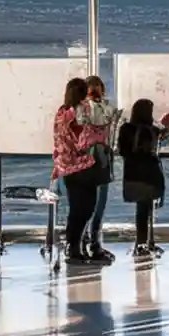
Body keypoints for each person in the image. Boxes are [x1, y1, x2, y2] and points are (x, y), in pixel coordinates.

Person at [53, 77, 110, 265]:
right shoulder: (79, 113)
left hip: (66, 168)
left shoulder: (61, 113)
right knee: (86, 208)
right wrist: (101, 133)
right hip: (82, 167)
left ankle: (74, 247)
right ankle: (74, 248)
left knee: (76, 209)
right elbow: (84, 140)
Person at [117, 99, 169, 258]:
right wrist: (168, 123)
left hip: (132, 173)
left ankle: (142, 242)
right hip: (151, 174)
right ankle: (144, 242)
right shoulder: (152, 130)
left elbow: (122, 150)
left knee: (142, 209)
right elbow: (164, 140)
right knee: (146, 208)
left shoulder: (126, 129)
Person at [76, 75, 118, 263]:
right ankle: (88, 243)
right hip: (92, 161)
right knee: (90, 205)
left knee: (96, 205)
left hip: (100, 160)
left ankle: (92, 243)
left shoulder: (105, 109)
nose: (95, 92)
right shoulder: (84, 109)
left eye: (97, 88)